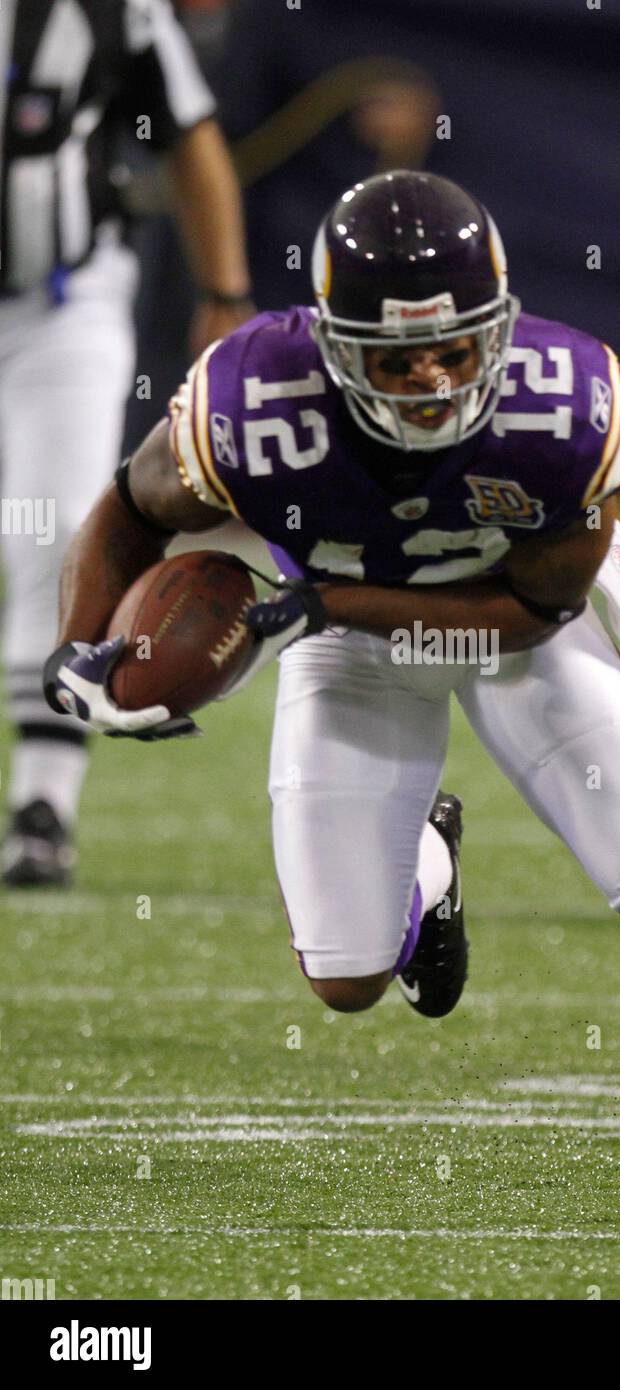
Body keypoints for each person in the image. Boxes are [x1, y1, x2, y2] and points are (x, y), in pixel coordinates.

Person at [44, 171, 620, 1228]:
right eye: (396, 358)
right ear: (336, 346)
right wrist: (76, 650)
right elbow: (126, 509)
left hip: (516, 634)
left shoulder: (565, 406)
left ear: (500, 325)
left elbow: (533, 608)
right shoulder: (250, 401)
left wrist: (327, 598)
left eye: (455, 348)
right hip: (341, 634)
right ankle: (426, 869)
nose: (431, 380)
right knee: (346, 980)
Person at [1, 0, 252, 886]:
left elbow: (191, 135)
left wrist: (224, 290)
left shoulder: (112, 11)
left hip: (58, 307)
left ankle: (43, 805)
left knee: (54, 530)